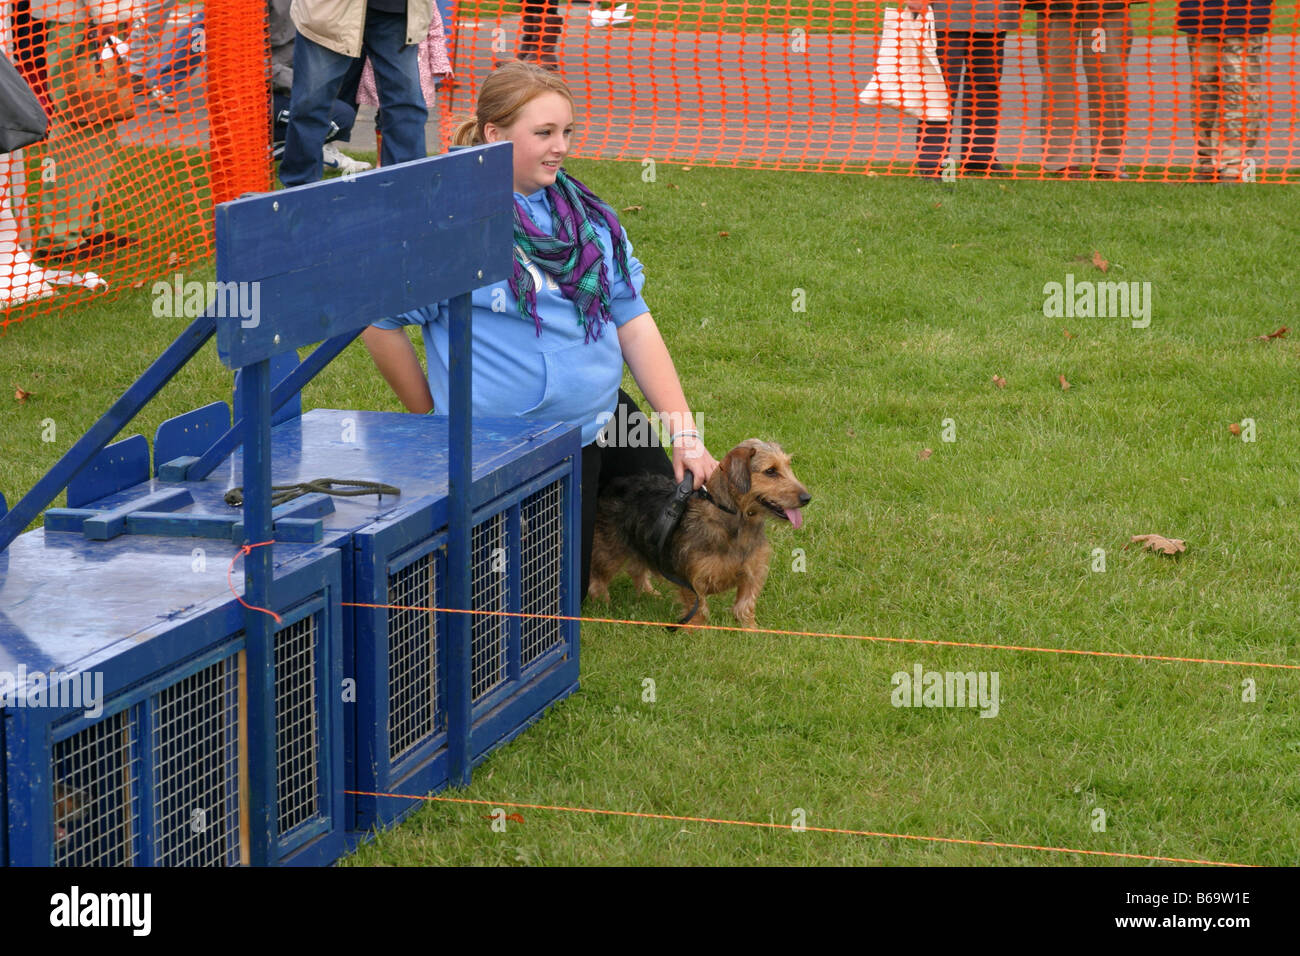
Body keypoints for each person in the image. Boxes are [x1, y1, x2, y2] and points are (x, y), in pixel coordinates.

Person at [362, 60, 718, 596]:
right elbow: (378, 321)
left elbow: (634, 321)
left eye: (567, 131)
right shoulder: (450, 223)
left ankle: (589, 492)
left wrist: (686, 434)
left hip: (592, 424)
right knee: (539, 603)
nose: (560, 147)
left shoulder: (584, 214)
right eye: (544, 133)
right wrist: (430, 420)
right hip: (503, 447)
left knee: (670, 527)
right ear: (494, 135)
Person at [279, 0, 430, 187]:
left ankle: (409, 193)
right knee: (310, 105)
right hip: (329, 11)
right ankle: (298, 194)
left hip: (399, 11)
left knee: (407, 108)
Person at [907, 0, 1020, 178]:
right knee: (940, 87)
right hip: (945, 12)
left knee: (986, 86)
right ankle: (933, 161)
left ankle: (980, 157)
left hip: (992, 12)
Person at [1034, 0, 1141, 179]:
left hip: (1106, 7)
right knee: (1057, 74)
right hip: (1057, 6)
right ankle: (1061, 160)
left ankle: (1109, 160)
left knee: (1107, 73)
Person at [1176, 0, 1273, 183]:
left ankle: (1235, 164)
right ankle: (1207, 163)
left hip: (1244, 14)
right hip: (1200, 13)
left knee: (1240, 89)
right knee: (1203, 88)